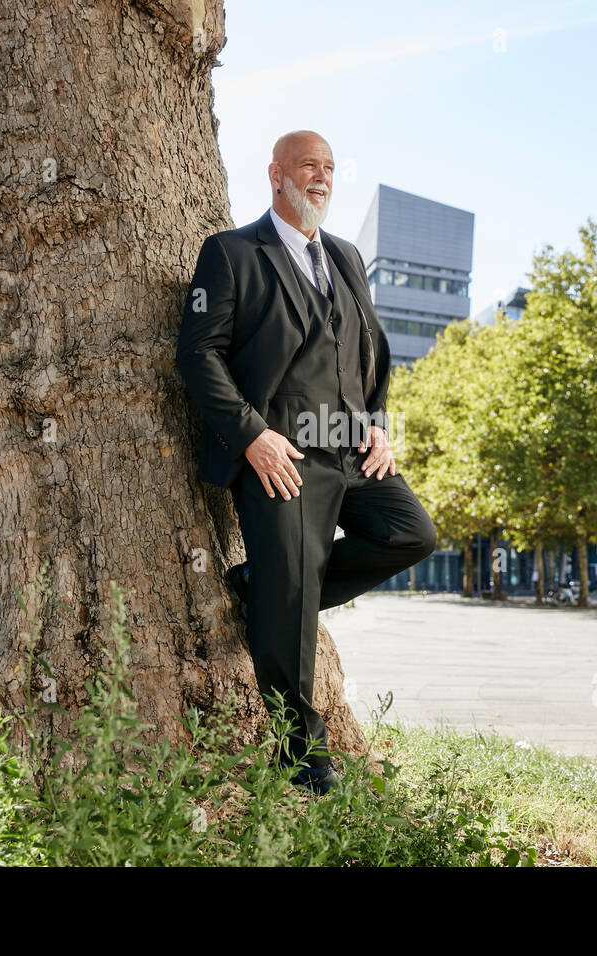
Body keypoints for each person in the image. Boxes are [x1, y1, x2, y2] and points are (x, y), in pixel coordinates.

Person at [176, 131, 437, 796]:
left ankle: (265, 590)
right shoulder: (232, 253)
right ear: (276, 175)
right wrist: (250, 436)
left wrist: (378, 425)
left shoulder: (347, 257)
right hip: (282, 455)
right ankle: (302, 756)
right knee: (287, 598)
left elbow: (372, 352)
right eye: (307, 166)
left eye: (328, 168)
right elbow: (197, 354)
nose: (320, 178)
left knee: (412, 535)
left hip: (352, 448)